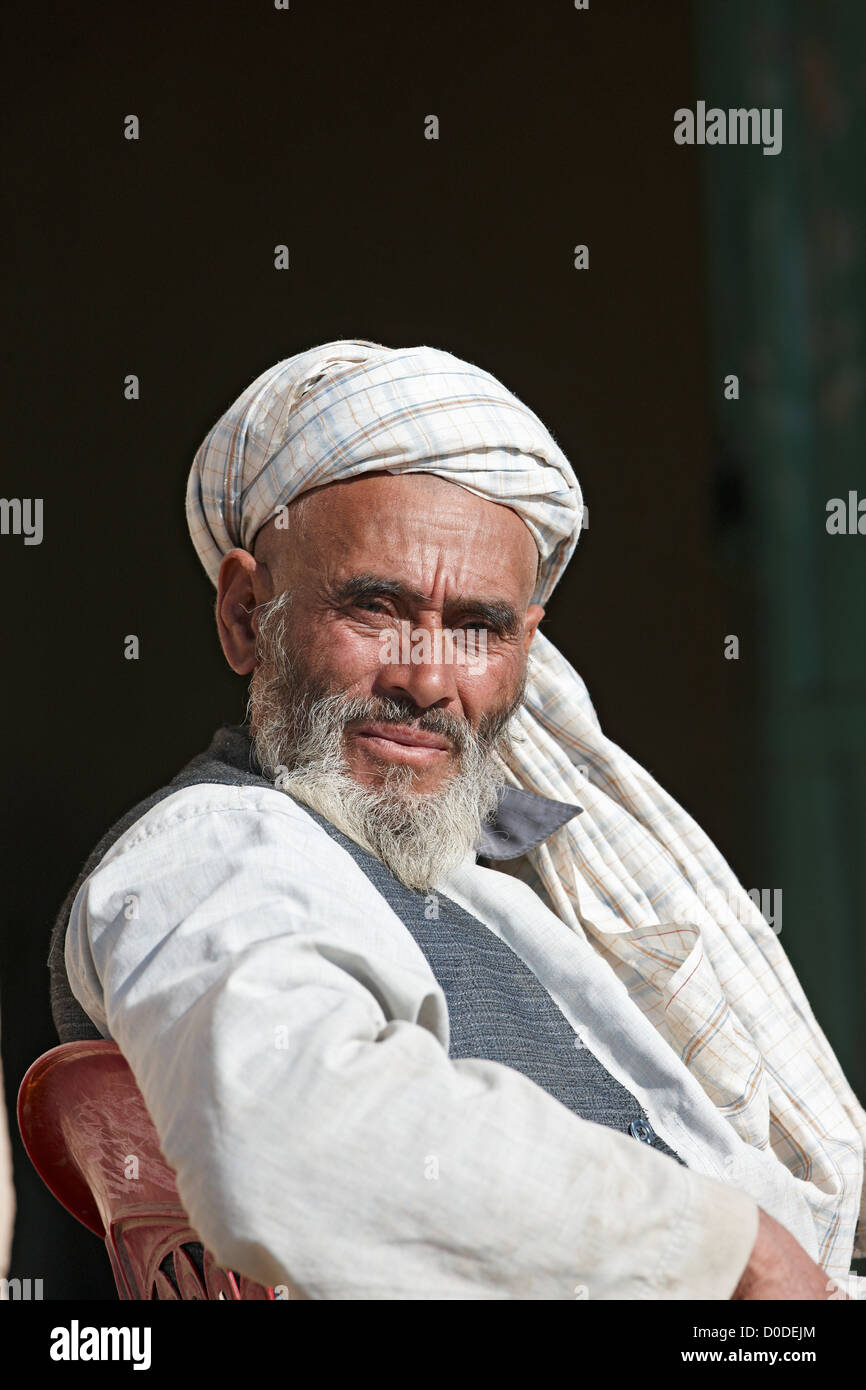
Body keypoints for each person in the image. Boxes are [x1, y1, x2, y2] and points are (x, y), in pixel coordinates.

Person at [51, 340, 864, 1299]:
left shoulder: (475, 884)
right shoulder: (217, 848)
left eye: (479, 628)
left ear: (529, 645)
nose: (428, 679)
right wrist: (731, 1252)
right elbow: (303, 1140)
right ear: (244, 616)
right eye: (375, 608)